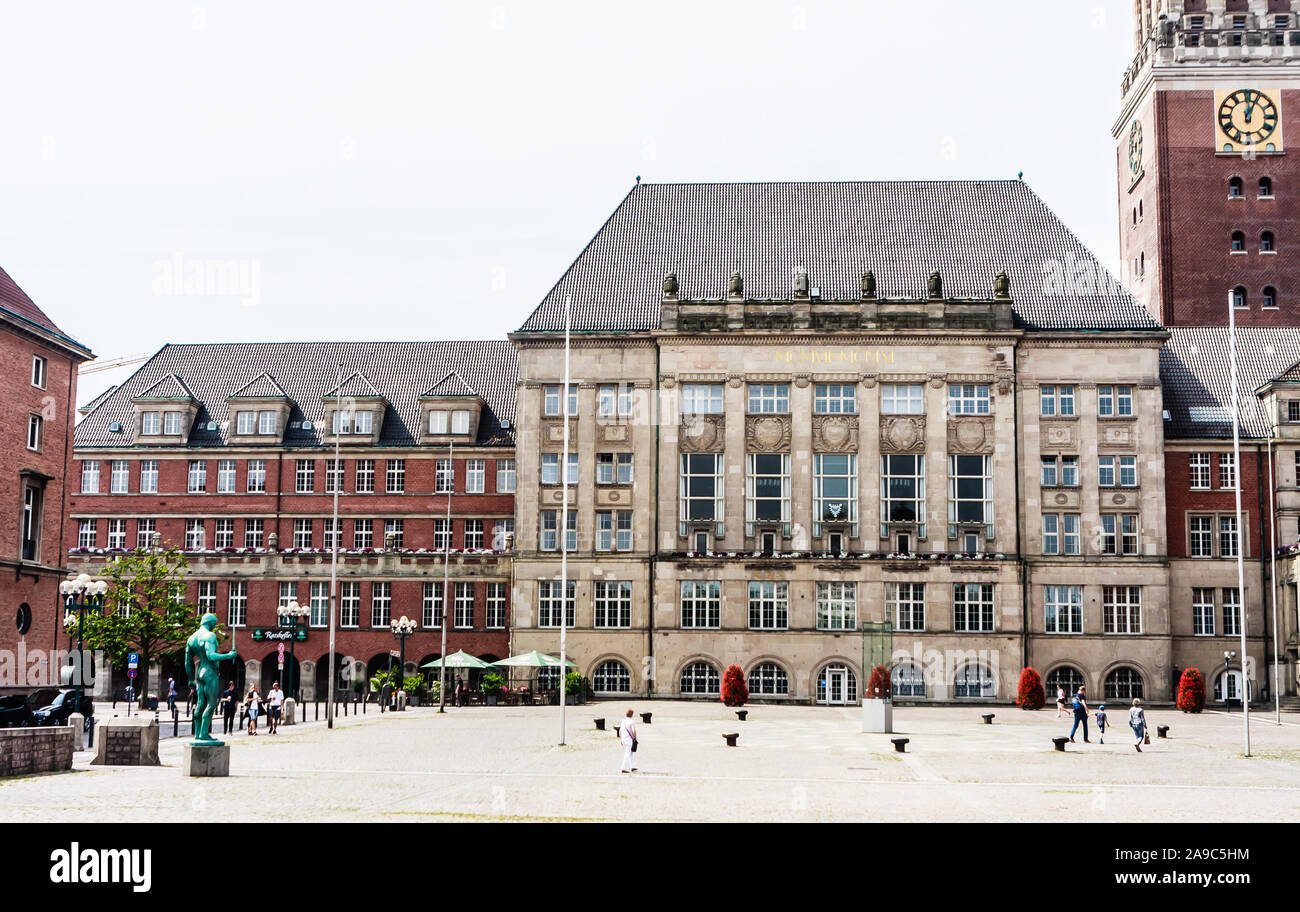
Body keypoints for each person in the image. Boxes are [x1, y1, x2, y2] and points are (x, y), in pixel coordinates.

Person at [618, 708, 638, 773]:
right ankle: (623, 768)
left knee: (631, 753)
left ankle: (632, 766)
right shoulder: (631, 721)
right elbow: (633, 730)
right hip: (629, 740)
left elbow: (620, 731)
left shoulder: (623, 721)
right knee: (627, 754)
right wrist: (635, 738)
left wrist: (621, 740)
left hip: (624, 739)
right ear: (632, 715)